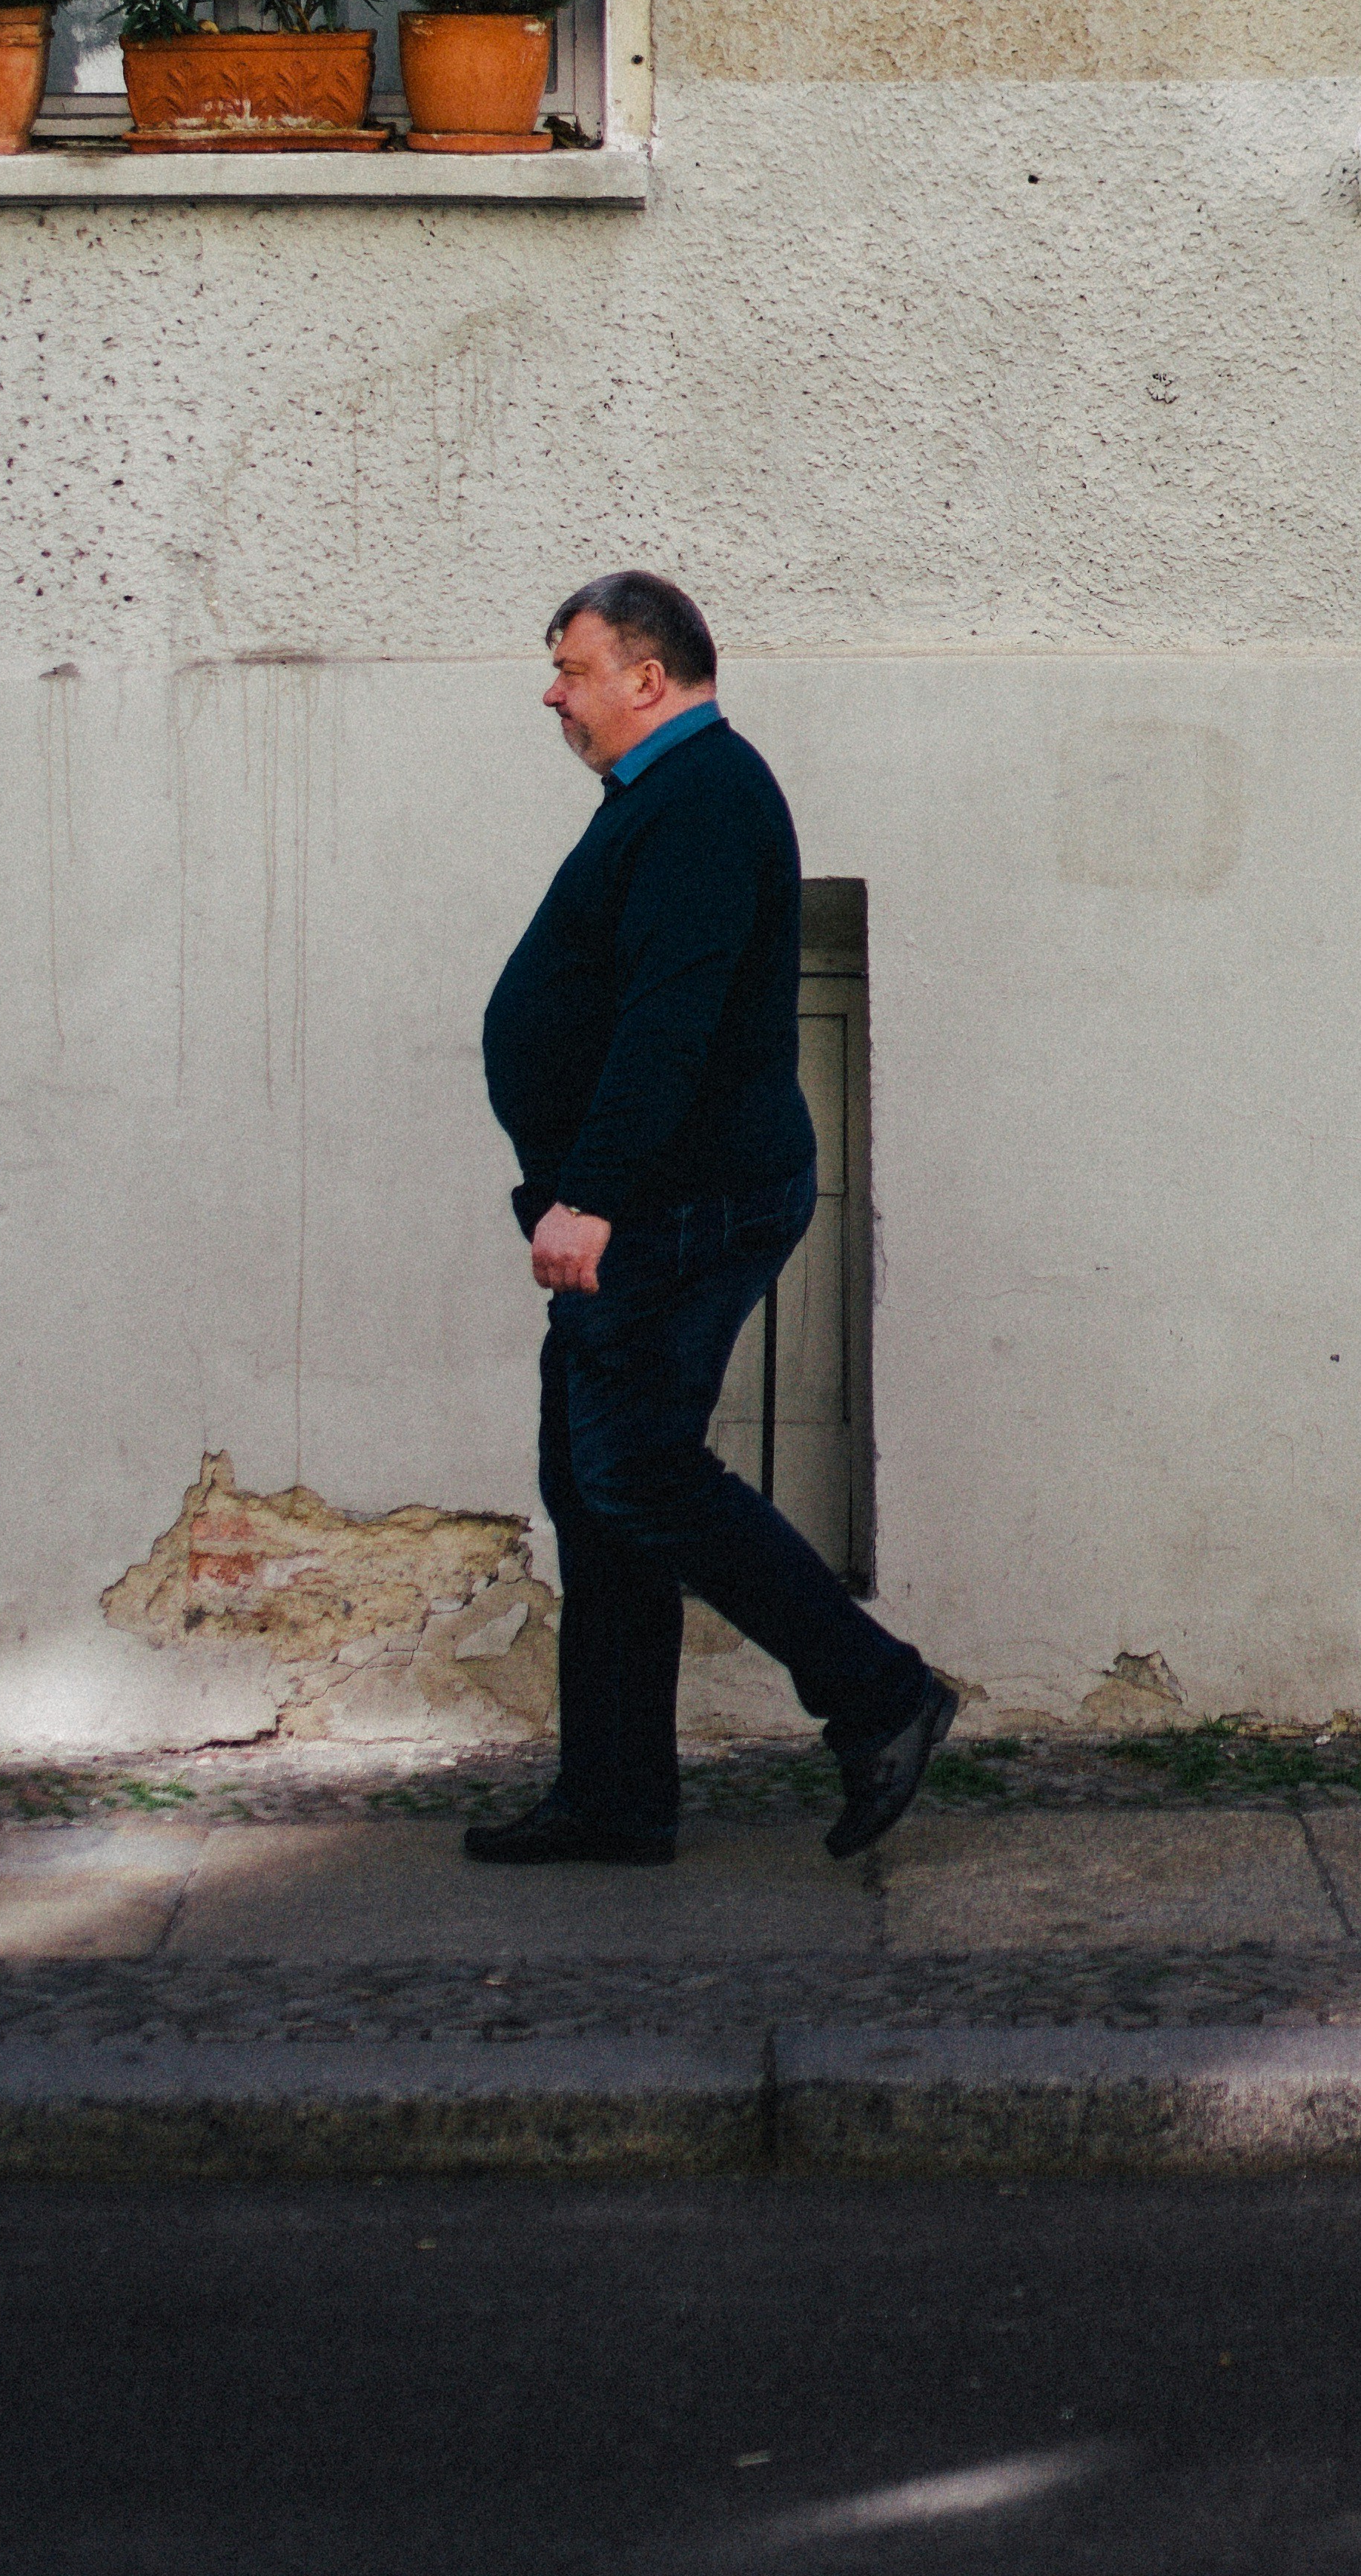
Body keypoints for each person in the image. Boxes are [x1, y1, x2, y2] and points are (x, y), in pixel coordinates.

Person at [467, 568, 957, 1866]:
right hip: (658, 1201)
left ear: (649, 675)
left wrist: (592, 1196)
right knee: (595, 1482)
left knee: (631, 1468)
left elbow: (666, 1022)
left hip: (677, 1206)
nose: (553, 693)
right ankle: (616, 1796)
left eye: (571, 669)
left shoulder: (700, 800)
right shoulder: (670, 795)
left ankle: (880, 1692)